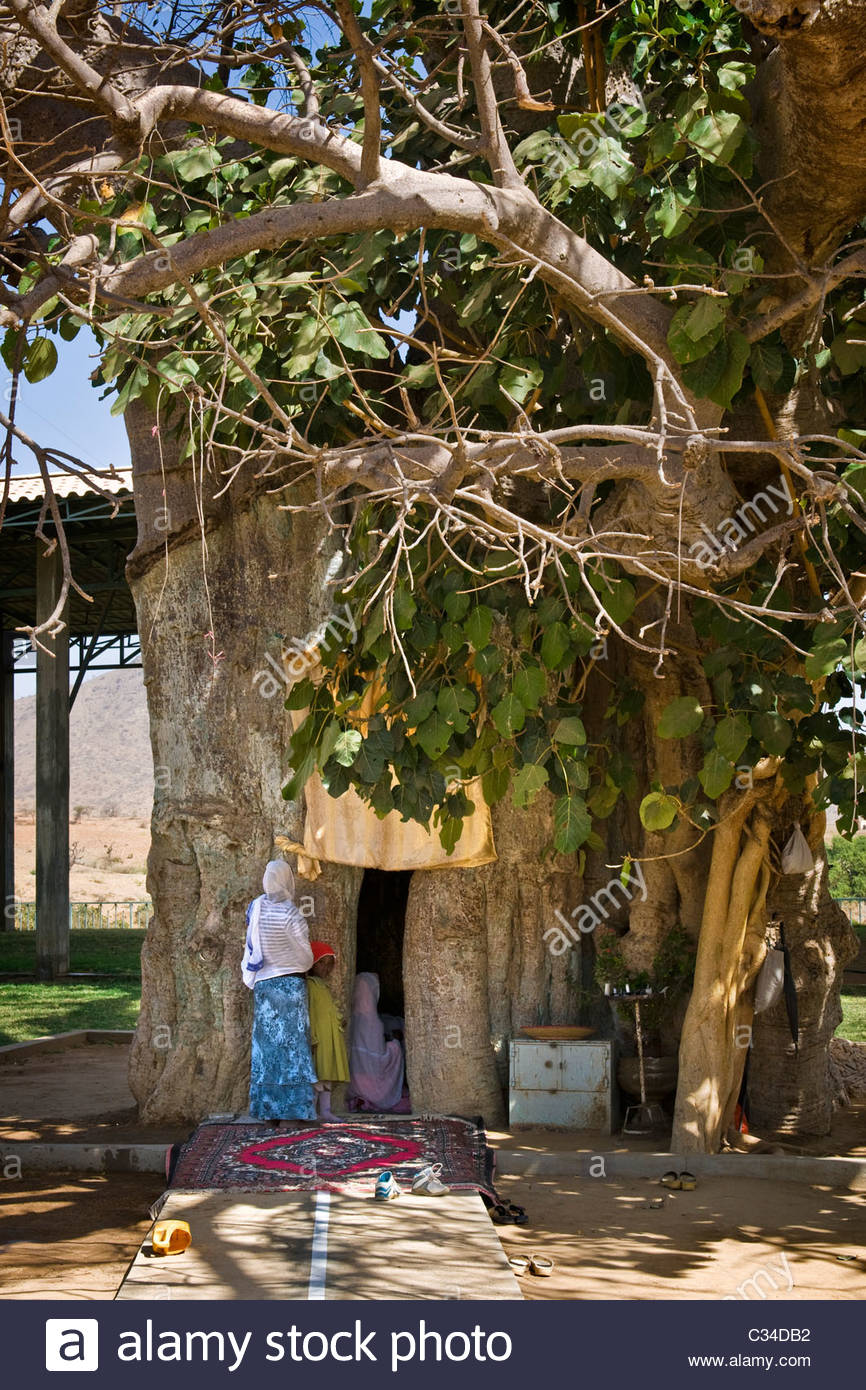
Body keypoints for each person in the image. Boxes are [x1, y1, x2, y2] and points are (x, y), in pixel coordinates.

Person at [242, 858, 316, 1124]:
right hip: (290, 988)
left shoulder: (256, 909)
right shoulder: (291, 914)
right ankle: (291, 1113)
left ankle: (267, 1110)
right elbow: (306, 959)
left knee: (267, 1051)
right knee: (292, 1050)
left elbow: (252, 948)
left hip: (264, 989)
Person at [347, 971, 406, 1113]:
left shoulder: (350, 1017)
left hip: (353, 1085)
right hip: (373, 1089)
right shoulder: (374, 1022)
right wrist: (395, 1043)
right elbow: (380, 1059)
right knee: (396, 1048)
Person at [306, 941, 350, 1123]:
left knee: (327, 1074)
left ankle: (325, 1111)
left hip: (330, 1037)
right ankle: (311, 1111)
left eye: (329, 964)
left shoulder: (322, 986)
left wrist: (339, 1019)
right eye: (321, 963)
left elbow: (328, 1010)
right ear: (312, 963)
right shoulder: (309, 985)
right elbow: (310, 1013)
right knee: (316, 1075)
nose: (326, 968)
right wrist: (312, 1037)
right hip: (319, 1039)